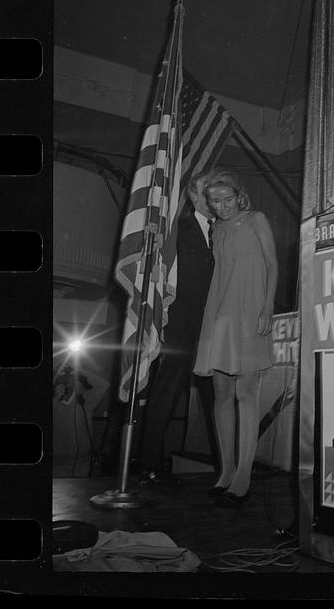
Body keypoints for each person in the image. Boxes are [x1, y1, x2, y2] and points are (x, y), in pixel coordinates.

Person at [193, 169, 278, 507]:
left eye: (228, 199)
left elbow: (272, 264)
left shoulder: (256, 219)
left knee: (246, 391)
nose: (223, 205)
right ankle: (225, 471)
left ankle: (243, 473)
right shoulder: (216, 229)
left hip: (251, 310)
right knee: (221, 391)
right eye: (216, 201)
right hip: (220, 314)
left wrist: (268, 307)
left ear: (239, 196)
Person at [137, 170, 219, 484]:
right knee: (166, 394)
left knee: (217, 398)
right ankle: (148, 464)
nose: (212, 199)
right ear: (192, 196)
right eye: (205, 192)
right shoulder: (177, 230)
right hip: (181, 326)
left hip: (214, 329)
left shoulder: (224, 230)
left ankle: (227, 467)